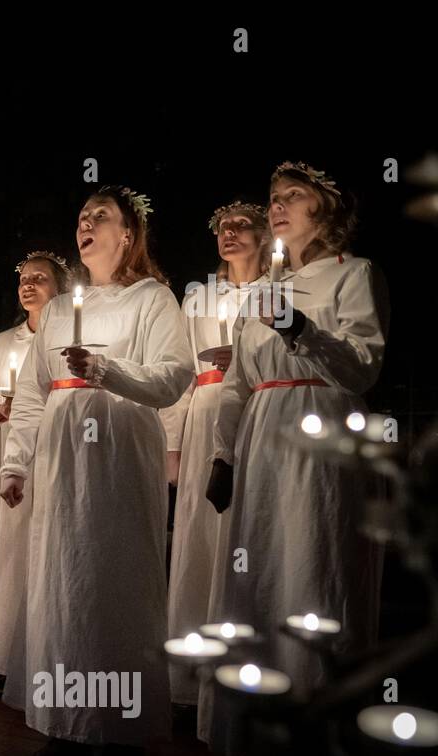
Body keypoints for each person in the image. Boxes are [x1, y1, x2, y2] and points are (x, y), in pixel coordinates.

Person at [0, 187, 193, 756]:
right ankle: (67, 727)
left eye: (99, 216)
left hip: (118, 452)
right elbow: (33, 393)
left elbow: (174, 376)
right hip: (63, 459)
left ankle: (123, 734)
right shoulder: (58, 313)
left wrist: (106, 370)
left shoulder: (152, 299)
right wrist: (15, 462)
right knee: (65, 581)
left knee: (118, 580)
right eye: (81, 216)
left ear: (128, 233)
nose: (85, 224)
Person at [201, 162, 389, 748]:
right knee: (260, 570)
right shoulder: (259, 292)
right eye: (273, 198)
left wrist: (300, 328)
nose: (277, 205)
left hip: (320, 429)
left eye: (293, 197)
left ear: (325, 209)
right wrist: (223, 455)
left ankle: (318, 732)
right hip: (261, 432)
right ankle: (260, 732)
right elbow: (235, 385)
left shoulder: (353, 273)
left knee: (314, 562)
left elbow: (363, 364)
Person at [162, 202, 267, 706]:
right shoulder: (199, 298)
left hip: (258, 412)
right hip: (205, 413)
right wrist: (173, 445)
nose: (230, 233)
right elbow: (181, 375)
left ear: (265, 234)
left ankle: (245, 672)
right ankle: (190, 685)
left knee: (246, 535)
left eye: (242, 225)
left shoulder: (278, 293)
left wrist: (247, 357)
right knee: (200, 541)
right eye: (222, 226)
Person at [0, 252, 66, 699]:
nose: (28, 285)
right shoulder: (1, 342)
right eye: (23, 279)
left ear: (60, 286)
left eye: (39, 279)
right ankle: (6, 660)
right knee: (7, 552)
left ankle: (45, 655)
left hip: (54, 449)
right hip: (7, 448)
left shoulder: (67, 336)